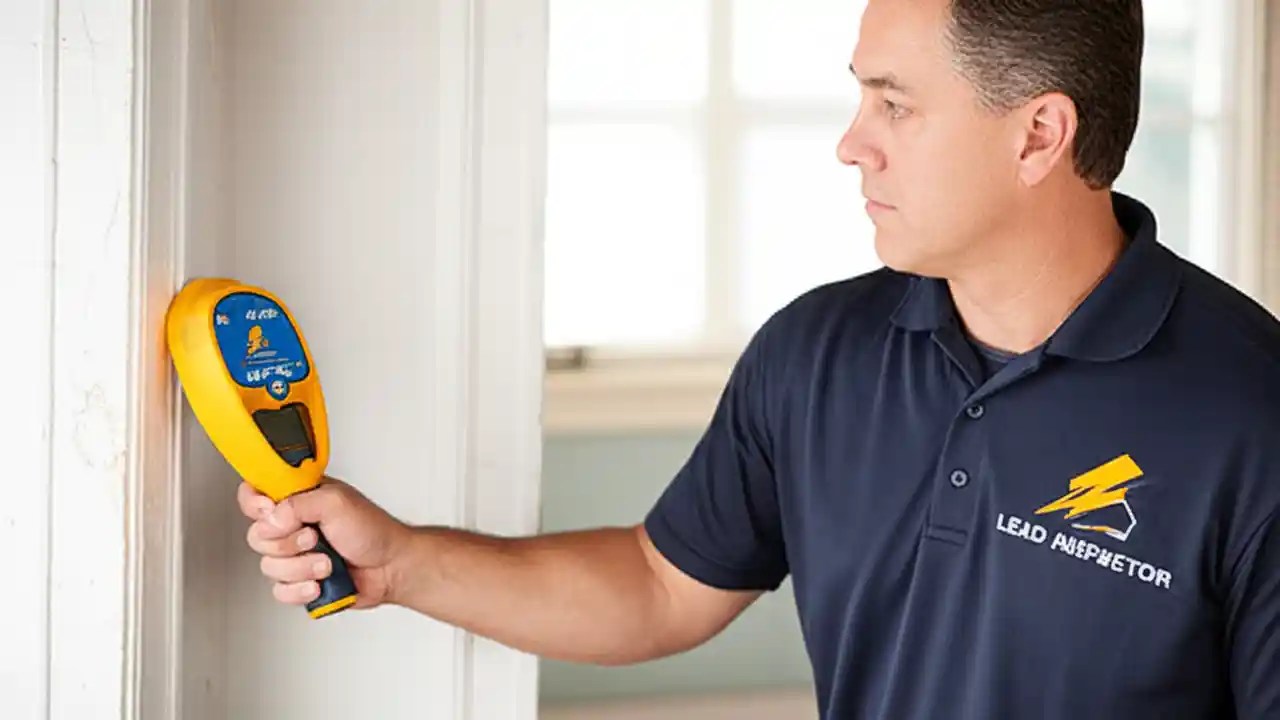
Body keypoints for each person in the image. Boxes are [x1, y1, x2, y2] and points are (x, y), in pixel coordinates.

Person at [238, 0, 1280, 717]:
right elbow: (658, 586)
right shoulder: (815, 355)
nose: (851, 141)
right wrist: (400, 562)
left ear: (1036, 136)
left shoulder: (1249, 411)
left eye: (894, 103)